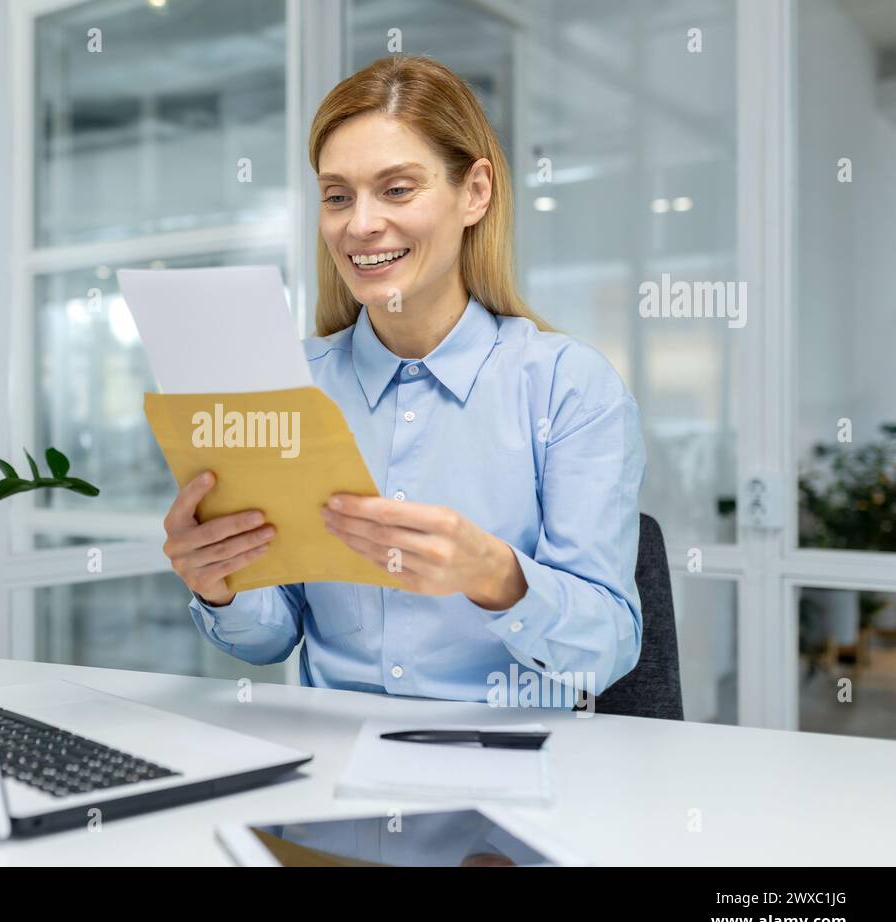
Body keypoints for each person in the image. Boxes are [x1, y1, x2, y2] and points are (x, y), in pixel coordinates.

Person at [161, 55, 645, 704]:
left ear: (475, 191)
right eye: (337, 196)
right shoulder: (286, 384)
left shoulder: (568, 386)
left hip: (506, 765)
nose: (359, 225)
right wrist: (218, 583)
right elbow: (271, 638)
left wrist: (497, 576)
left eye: (396, 189)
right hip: (328, 757)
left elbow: (608, 648)